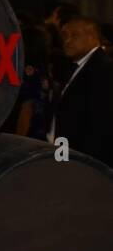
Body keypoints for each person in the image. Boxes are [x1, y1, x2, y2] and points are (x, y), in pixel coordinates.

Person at [48, 15, 113, 165]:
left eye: (74, 35)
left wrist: (88, 164)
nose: (67, 41)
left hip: (86, 160)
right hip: (65, 154)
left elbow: (102, 121)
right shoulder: (74, 67)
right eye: (64, 35)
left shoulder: (104, 69)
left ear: (92, 37)